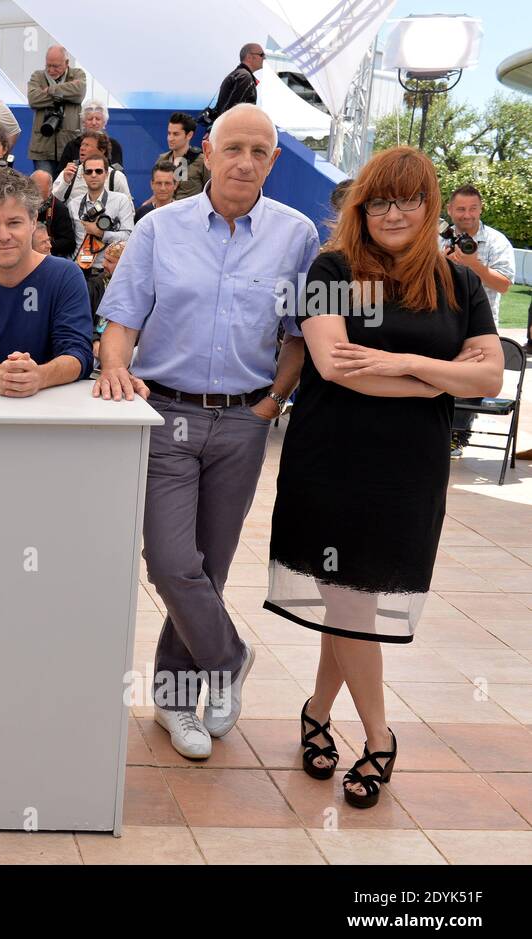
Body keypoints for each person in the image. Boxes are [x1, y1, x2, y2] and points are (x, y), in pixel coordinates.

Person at [265, 146, 502, 809]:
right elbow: (336, 367)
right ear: (361, 208)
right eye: (379, 202)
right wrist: (439, 379)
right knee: (349, 599)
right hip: (331, 461)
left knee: (354, 601)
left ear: (430, 206)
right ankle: (378, 736)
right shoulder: (334, 270)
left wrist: (400, 364)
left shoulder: (458, 284)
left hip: (409, 470)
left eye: (408, 200)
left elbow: (489, 376)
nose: (393, 214)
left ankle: (316, 711)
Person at [94, 103, 320, 760]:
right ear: (208, 155)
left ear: (272, 162)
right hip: (166, 413)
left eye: (259, 151)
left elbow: (300, 335)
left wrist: (272, 403)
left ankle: (174, 701)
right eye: (234, 148)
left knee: (209, 566)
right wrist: (114, 367)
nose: (245, 162)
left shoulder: (297, 236)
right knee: (170, 562)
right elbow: (122, 321)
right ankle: (229, 657)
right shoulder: (159, 228)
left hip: (244, 421)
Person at [0, 167, 93, 394]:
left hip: (56, 407)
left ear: (33, 222)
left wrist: (40, 376)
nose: (4, 236)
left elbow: (78, 351)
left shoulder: (66, 276)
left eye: (14, 223)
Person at [441, 184, 516, 457]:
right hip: (440, 321)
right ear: (450, 210)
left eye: (473, 208)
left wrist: (474, 264)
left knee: (470, 380)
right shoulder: (437, 239)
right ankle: (436, 430)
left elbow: (504, 284)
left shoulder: (496, 241)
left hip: (479, 326)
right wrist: (440, 261)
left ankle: (457, 434)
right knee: (437, 375)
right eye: (461, 209)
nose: (467, 214)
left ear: (481, 209)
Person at [64, 153, 135, 266]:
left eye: (98, 171)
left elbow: (128, 237)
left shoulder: (121, 200)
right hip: (78, 267)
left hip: (107, 269)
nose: (93, 175)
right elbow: (69, 241)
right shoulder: (73, 204)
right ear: (83, 175)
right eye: (89, 171)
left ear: (106, 174)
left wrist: (101, 233)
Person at [27, 45, 85, 177]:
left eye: (56, 66)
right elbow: (33, 99)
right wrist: (66, 95)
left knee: (69, 185)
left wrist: (50, 90)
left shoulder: (77, 74)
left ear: (67, 63)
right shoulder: (37, 76)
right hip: (42, 148)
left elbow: (79, 93)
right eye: (48, 65)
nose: (51, 70)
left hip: (69, 145)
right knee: (43, 185)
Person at [59, 101, 124, 170]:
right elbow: (60, 172)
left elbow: (119, 170)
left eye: (98, 119)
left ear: (104, 122)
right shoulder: (72, 145)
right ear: (83, 123)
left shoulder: (113, 145)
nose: (94, 123)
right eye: (90, 119)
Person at [158, 112, 208, 200]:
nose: (170, 138)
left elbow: (211, 192)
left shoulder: (202, 161)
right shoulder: (162, 160)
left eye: (176, 134)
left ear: (189, 135)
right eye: (169, 133)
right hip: (167, 207)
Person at [30, 169, 76, 261]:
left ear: (50, 190)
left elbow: (69, 243)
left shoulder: (59, 209)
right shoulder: (21, 205)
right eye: (32, 190)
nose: (35, 194)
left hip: (49, 257)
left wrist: (43, 244)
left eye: (40, 190)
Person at [211, 43, 263, 124]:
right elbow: (232, 111)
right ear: (249, 57)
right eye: (261, 55)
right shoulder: (245, 77)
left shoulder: (238, 74)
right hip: (233, 129)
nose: (264, 58)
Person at [134, 159, 178, 223]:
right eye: (159, 183)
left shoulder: (183, 212)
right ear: (152, 184)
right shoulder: (141, 213)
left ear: (175, 185)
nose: (163, 188)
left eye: (167, 183)